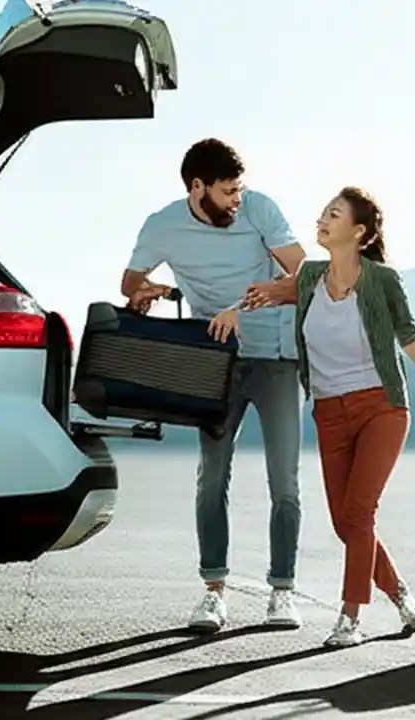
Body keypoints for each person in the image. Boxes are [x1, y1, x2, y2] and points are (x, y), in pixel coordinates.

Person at [243, 186, 415, 647]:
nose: (321, 220)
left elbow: (409, 337)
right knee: (345, 524)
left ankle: (349, 618)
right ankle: (401, 595)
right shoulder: (311, 276)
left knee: (360, 511)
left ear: (360, 231)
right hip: (329, 411)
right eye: (322, 212)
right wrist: (238, 308)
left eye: (333, 214)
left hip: (381, 407)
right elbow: (272, 292)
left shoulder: (382, 281)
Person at [122, 138, 307, 633]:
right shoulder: (163, 224)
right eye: (227, 192)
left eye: (239, 190)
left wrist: (242, 307)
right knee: (211, 480)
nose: (236, 201)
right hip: (215, 363)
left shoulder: (259, 210)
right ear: (197, 187)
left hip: (277, 359)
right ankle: (213, 593)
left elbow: (304, 278)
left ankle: (282, 592)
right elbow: (129, 281)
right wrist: (149, 292)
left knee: (284, 484)